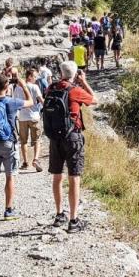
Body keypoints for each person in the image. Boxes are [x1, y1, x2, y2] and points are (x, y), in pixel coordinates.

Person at [44, 61, 95, 233]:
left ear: (60, 72)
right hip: (72, 136)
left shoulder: (51, 89)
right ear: (74, 74)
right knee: (74, 177)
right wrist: (84, 81)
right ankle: (74, 220)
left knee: (57, 176)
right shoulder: (74, 90)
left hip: (54, 137)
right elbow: (94, 100)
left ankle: (59, 214)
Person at [0, 73, 32, 221]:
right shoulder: (11, 102)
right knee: (10, 176)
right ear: (7, 86)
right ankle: (8, 210)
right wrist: (22, 85)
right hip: (9, 143)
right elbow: (30, 102)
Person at [16, 68, 45, 171]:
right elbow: (41, 101)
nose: (36, 78)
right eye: (35, 76)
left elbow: (16, 102)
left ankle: (25, 162)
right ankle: (35, 159)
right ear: (30, 76)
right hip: (34, 116)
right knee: (37, 139)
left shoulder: (17, 88)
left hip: (22, 117)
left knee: (23, 141)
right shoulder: (35, 87)